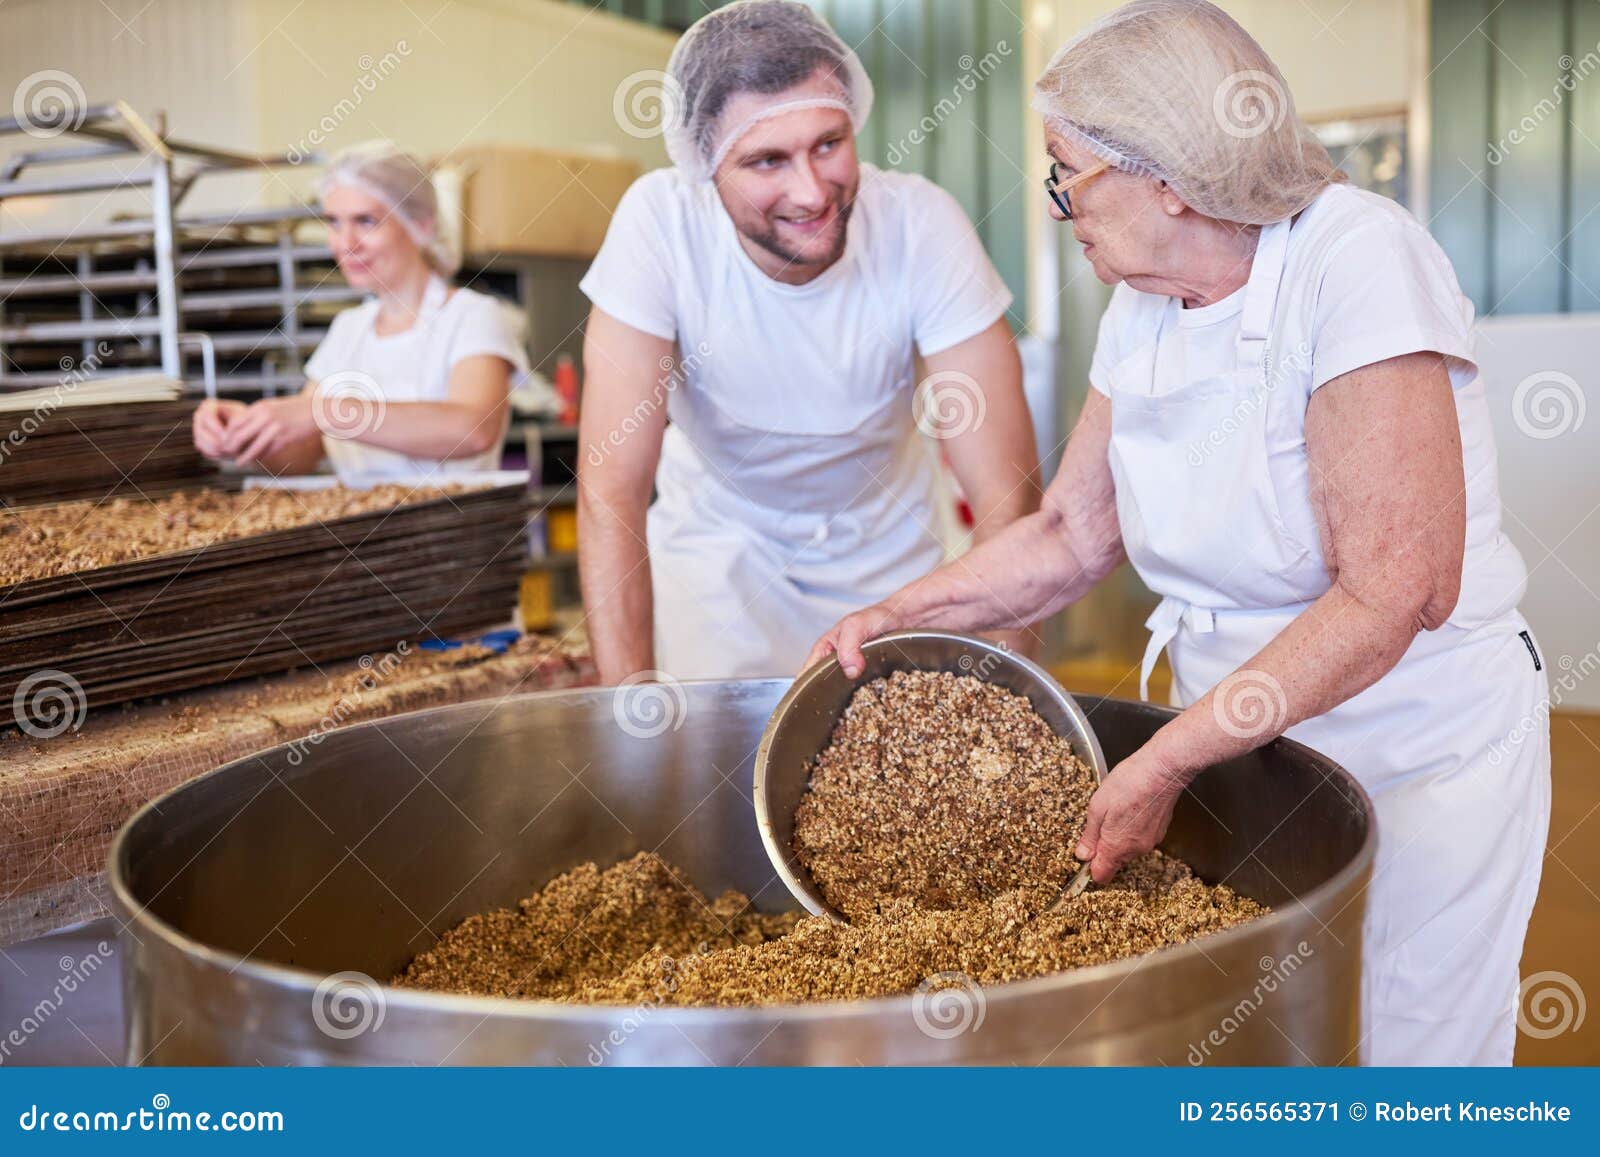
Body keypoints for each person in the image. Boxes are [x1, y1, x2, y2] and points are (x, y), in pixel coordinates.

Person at [808, 0, 1550, 1066]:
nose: (1057, 203)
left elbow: (1396, 589)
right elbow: (1068, 531)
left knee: (1405, 1037)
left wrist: (1165, 759)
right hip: (1240, 743)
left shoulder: (1356, 260)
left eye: (1067, 171)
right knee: (1267, 1029)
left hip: (1413, 737)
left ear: (1165, 176)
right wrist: (898, 614)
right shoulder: (1143, 301)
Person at [577, 0, 1040, 682]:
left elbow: (1008, 495)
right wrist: (629, 712)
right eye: (767, 160)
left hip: (890, 550)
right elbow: (610, 490)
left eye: (829, 143)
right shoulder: (660, 226)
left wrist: (1005, 694)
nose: (812, 190)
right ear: (705, 167)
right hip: (722, 554)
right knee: (720, 771)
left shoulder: (920, 226)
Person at [192, 142, 527, 480]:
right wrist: (248, 433)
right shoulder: (348, 329)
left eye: (366, 221)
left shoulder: (472, 316)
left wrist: (325, 412)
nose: (345, 243)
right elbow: (301, 457)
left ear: (421, 225)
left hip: (457, 528)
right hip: (359, 529)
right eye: (334, 223)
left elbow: (472, 431)